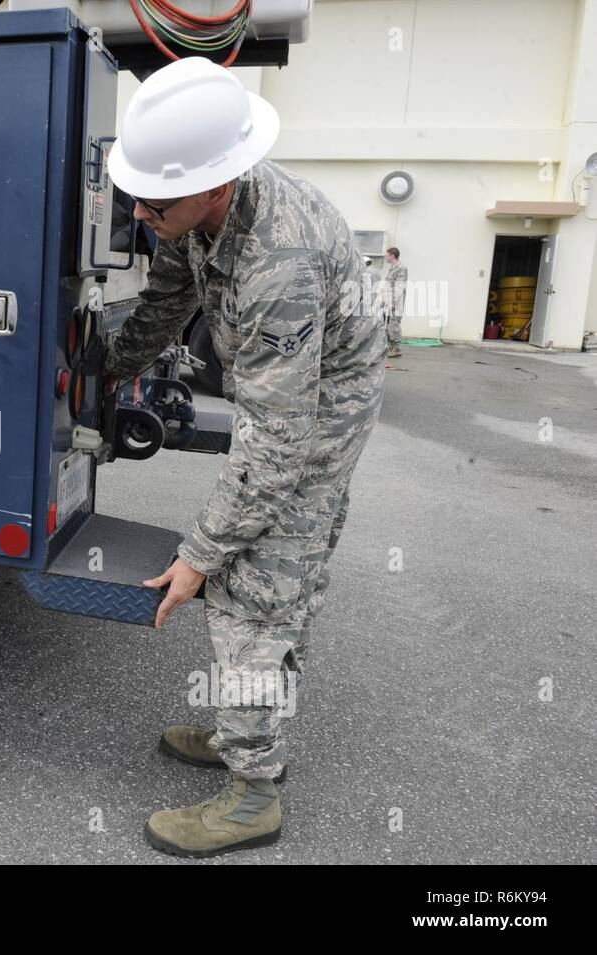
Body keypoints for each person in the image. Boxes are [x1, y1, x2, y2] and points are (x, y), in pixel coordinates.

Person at [103, 57, 387, 858]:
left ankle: (253, 792)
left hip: (317, 417)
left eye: (156, 201)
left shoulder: (277, 261)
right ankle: (245, 736)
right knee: (252, 581)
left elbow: (276, 440)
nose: (141, 209)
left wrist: (198, 554)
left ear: (218, 184)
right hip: (290, 406)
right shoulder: (193, 215)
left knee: (254, 591)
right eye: (138, 194)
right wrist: (115, 363)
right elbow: (167, 297)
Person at [384, 247, 408, 357]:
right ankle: (391, 347)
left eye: (387, 255)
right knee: (389, 325)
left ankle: (396, 349)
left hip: (396, 302)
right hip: (390, 301)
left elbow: (399, 287)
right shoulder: (392, 268)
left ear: (392, 255)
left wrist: (393, 302)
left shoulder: (400, 268)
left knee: (394, 324)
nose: (385, 257)